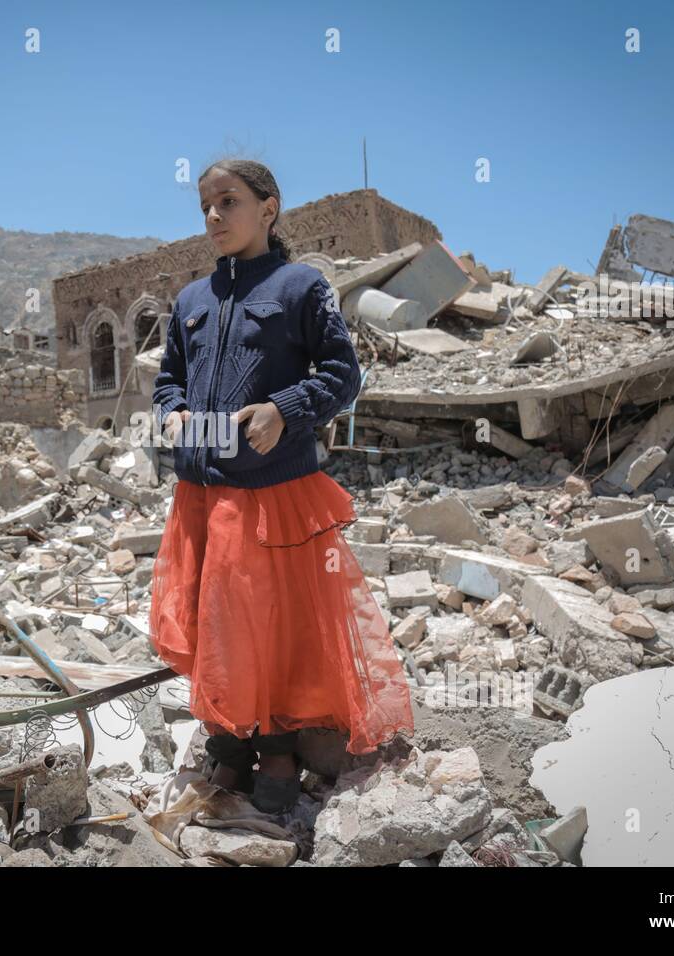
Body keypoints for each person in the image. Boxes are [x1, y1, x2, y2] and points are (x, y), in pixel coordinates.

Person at [148, 158, 414, 815]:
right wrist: (171, 414)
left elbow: (344, 375)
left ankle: (278, 751)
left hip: (269, 493)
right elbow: (166, 384)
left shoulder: (301, 287)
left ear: (268, 208)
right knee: (216, 622)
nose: (214, 216)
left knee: (269, 627)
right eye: (205, 205)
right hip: (200, 495)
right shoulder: (190, 301)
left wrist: (286, 409)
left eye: (228, 201)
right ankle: (228, 742)